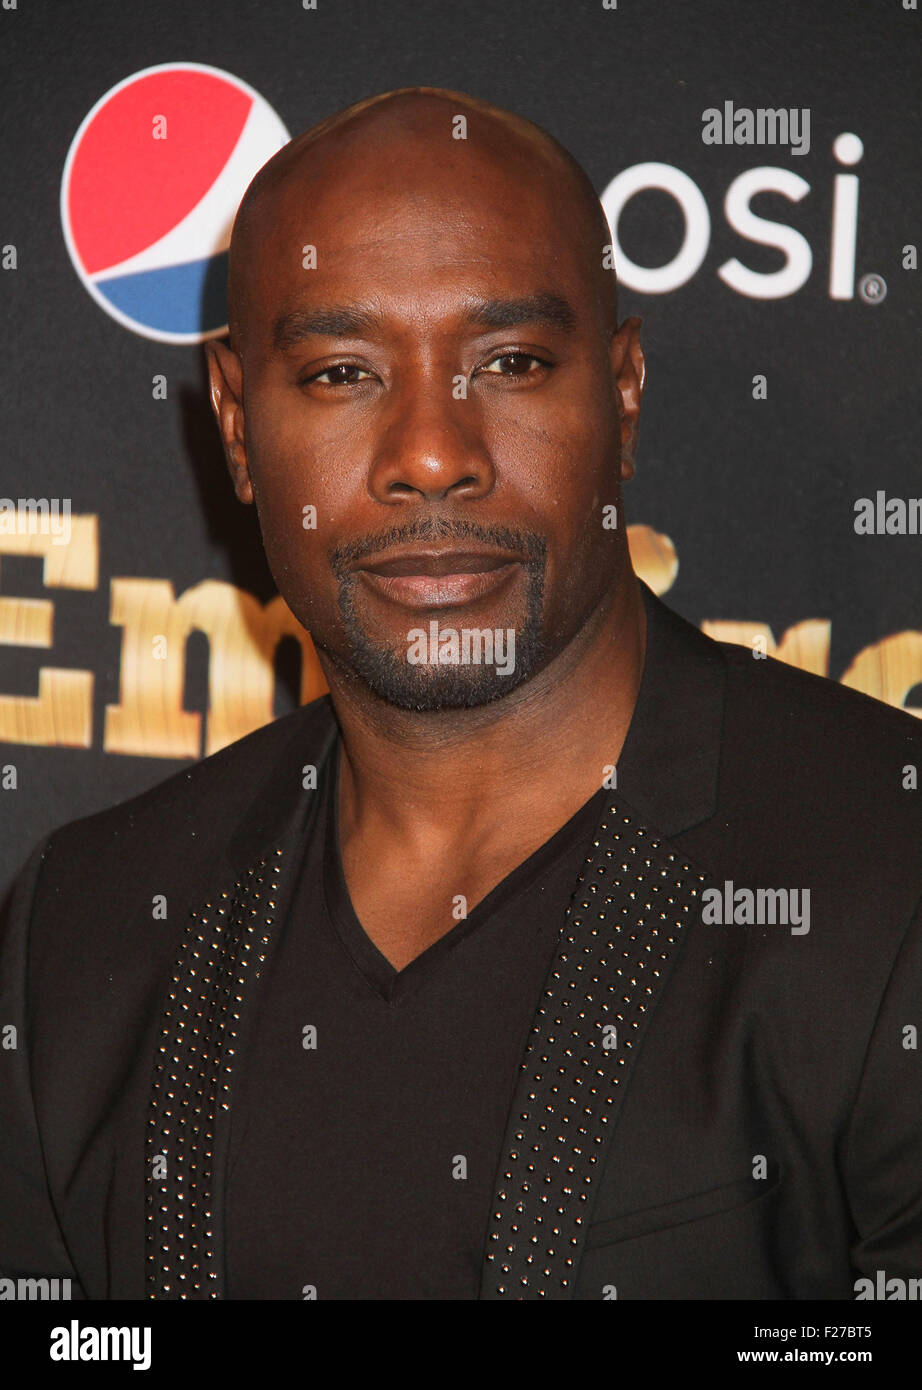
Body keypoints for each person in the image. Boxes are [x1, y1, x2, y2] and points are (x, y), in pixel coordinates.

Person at [1, 87, 920, 1301]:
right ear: (234, 422)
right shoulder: (87, 922)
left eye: (510, 362)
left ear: (623, 393)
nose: (432, 451)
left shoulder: (884, 873)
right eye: (340, 372)